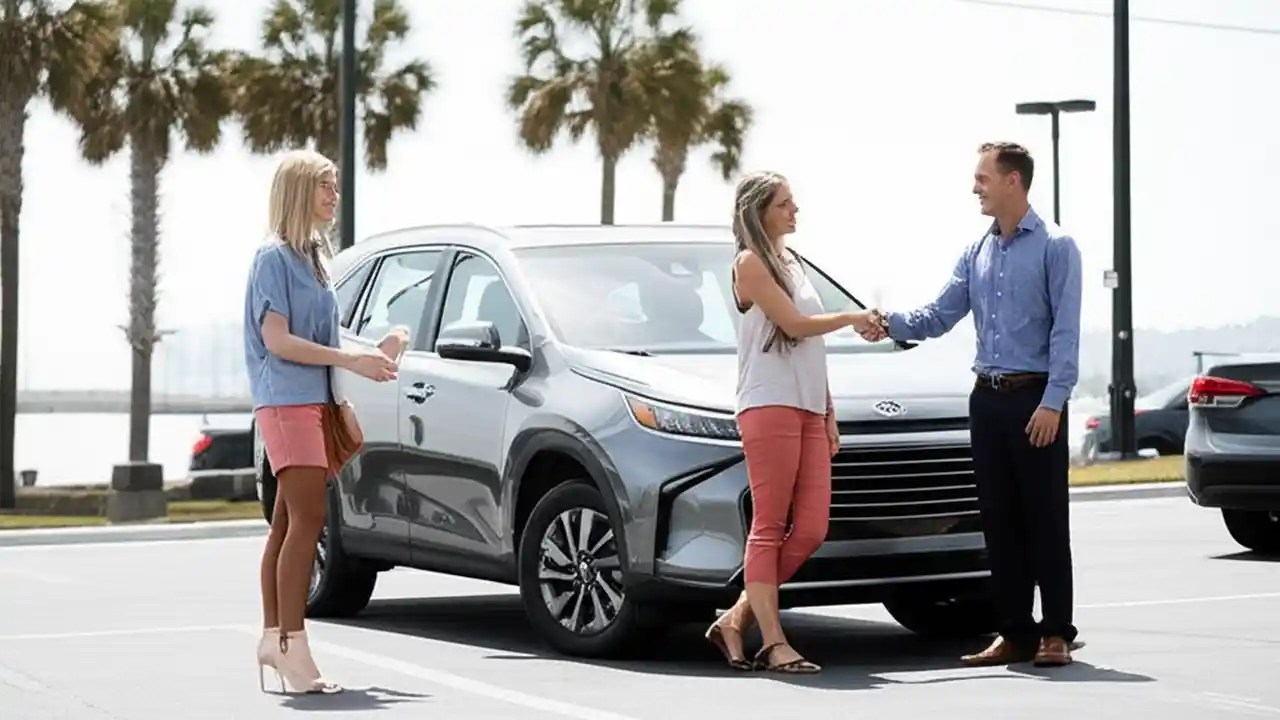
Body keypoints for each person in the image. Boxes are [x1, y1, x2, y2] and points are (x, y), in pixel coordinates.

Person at [862, 141, 1083, 667]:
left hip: (1036, 401)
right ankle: (1014, 631)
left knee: (1044, 521)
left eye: (983, 178)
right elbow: (939, 315)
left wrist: (1053, 402)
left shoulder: (1057, 247)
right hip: (987, 402)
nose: (975, 188)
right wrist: (887, 321)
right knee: (999, 522)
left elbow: (1066, 335)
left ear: (1014, 181)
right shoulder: (976, 253)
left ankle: (1056, 633)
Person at [703, 171, 880, 674]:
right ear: (760, 211)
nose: (795, 210)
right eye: (785, 203)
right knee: (769, 526)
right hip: (769, 404)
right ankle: (774, 642)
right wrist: (852, 317)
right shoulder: (749, 264)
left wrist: (827, 411)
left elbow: (810, 348)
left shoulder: (793, 263)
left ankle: (736, 617)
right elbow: (796, 327)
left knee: (811, 528)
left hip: (806, 406)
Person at [245, 149, 404, 694]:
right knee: (310, 519)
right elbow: (279, 341)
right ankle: (294, 646)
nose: (334, 196)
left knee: (288, 525)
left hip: (312, 400)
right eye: (326, 187)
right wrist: (350, 360)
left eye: (335, 186)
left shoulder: (314, 256)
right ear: (298, 191)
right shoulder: (272, 259)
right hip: (285, 401)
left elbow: (326, 340)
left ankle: (274, 638)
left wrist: (374, 351)